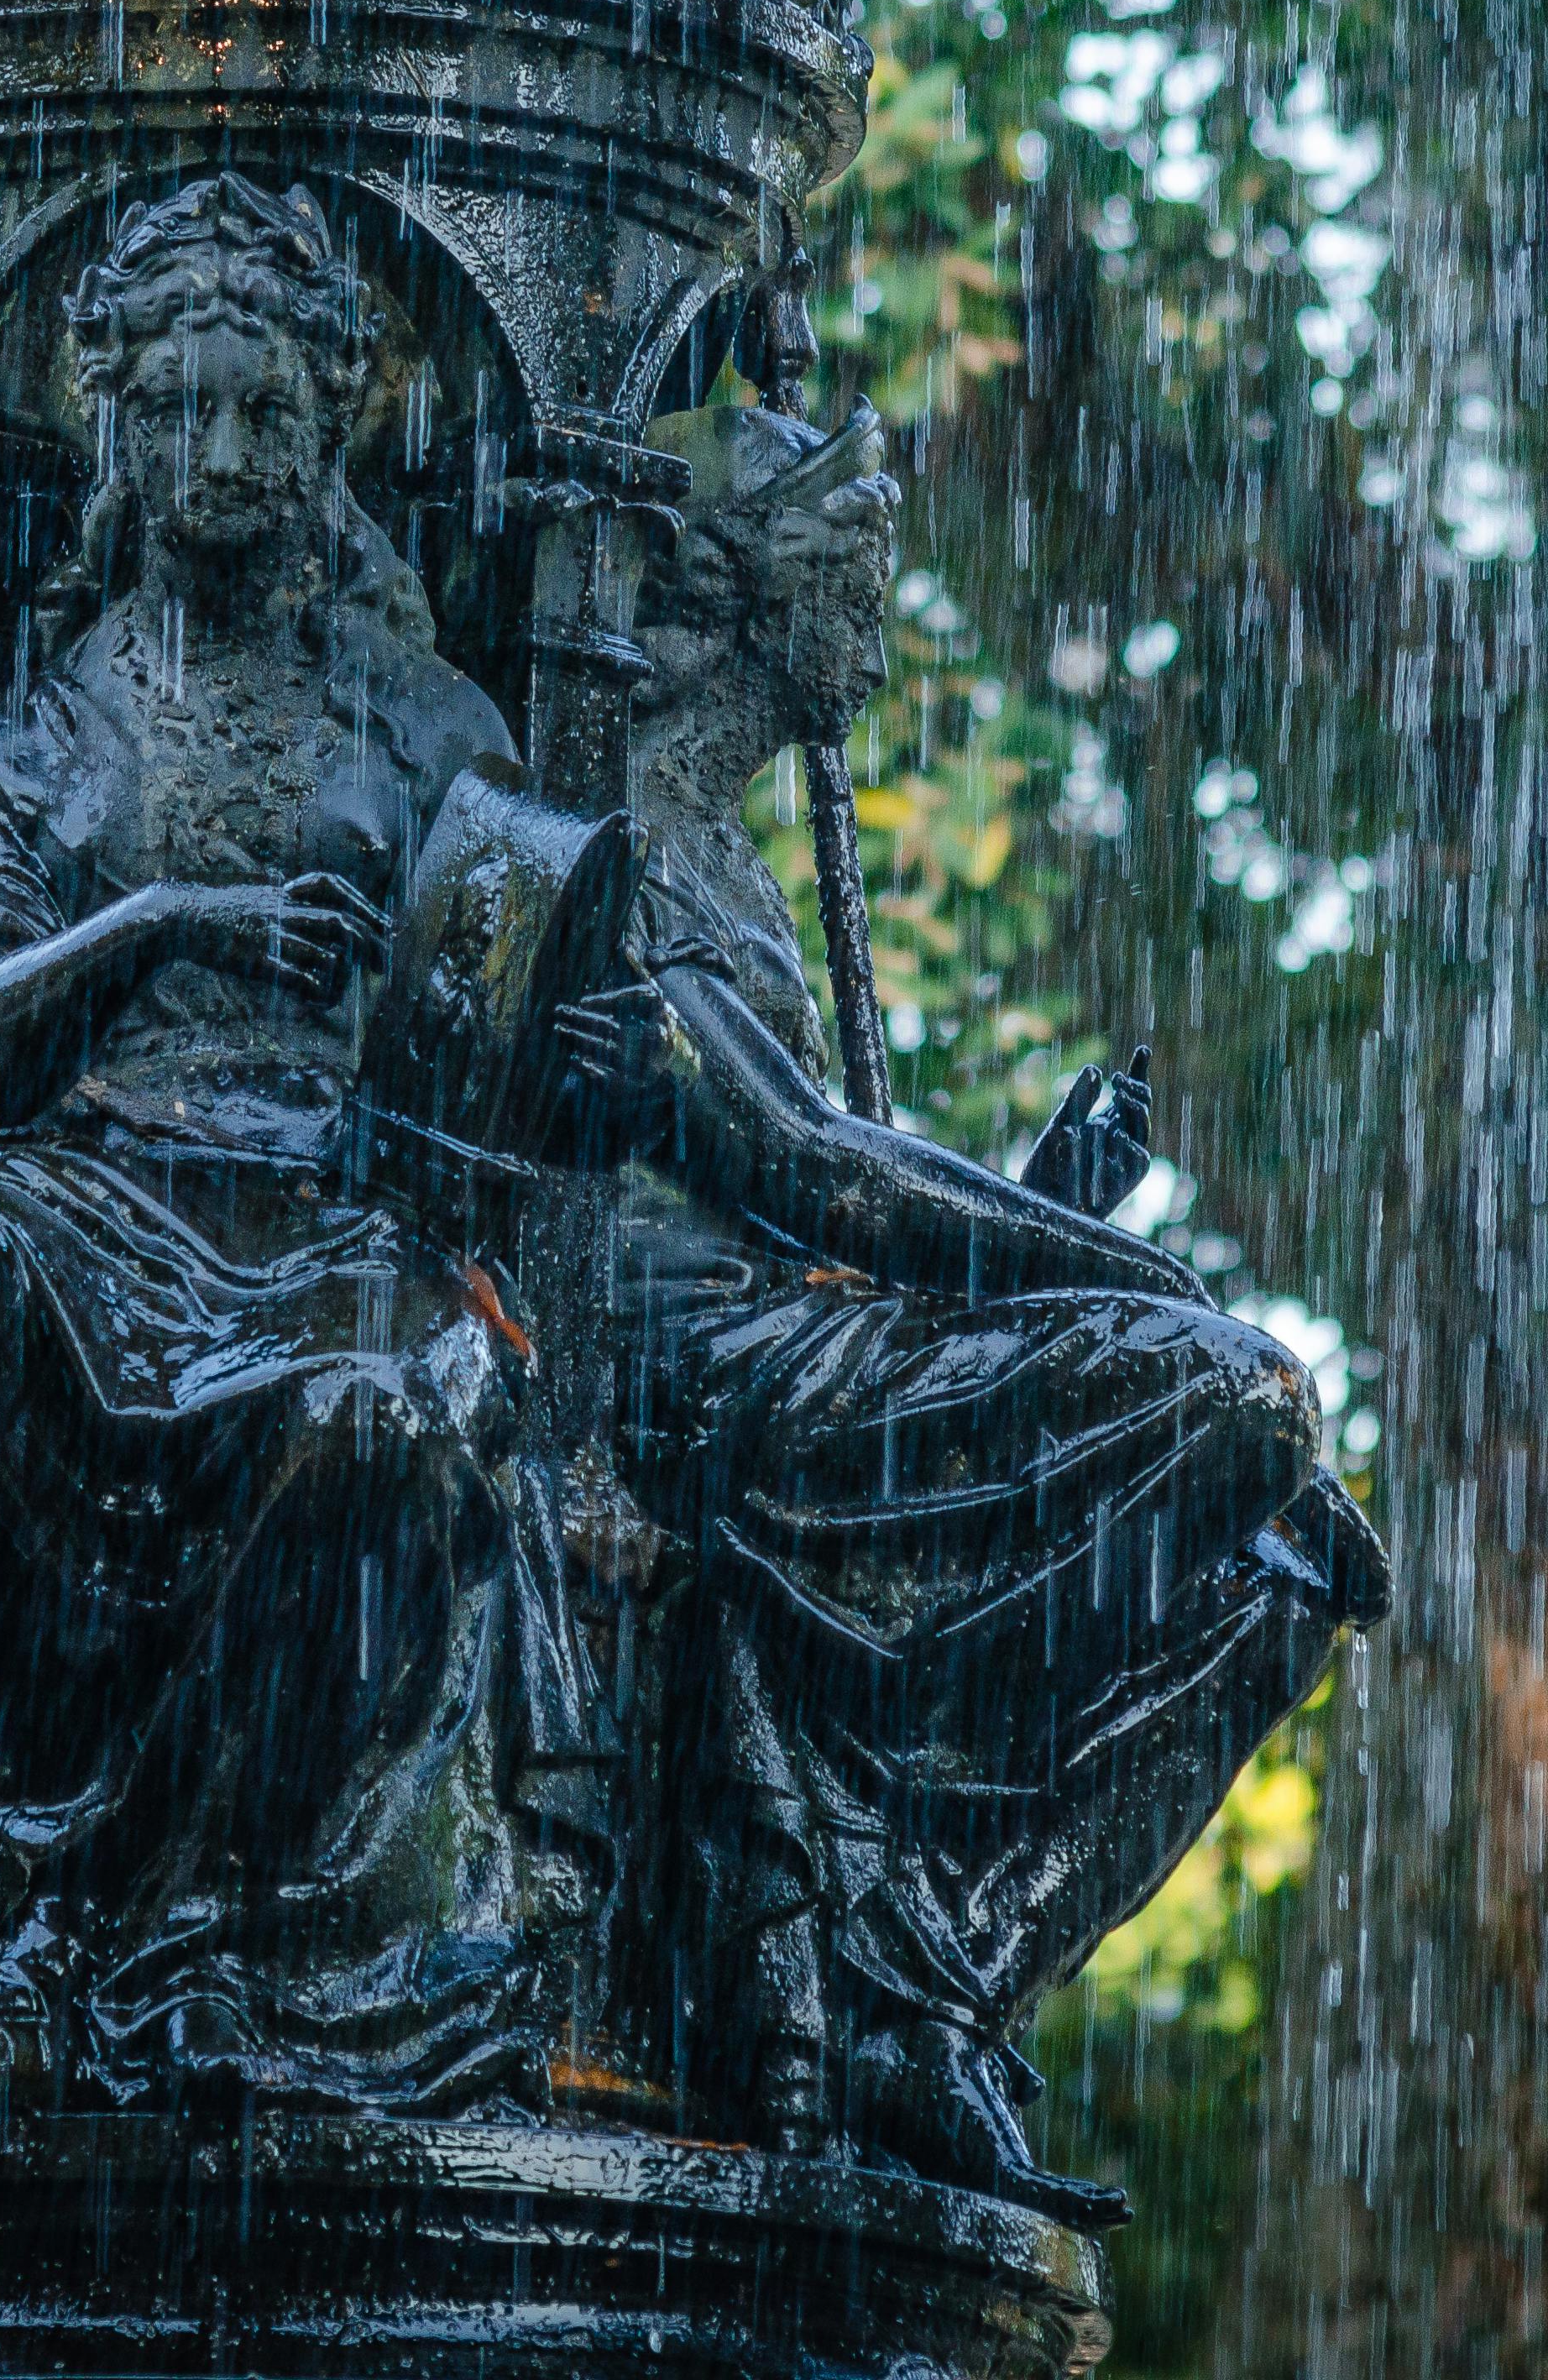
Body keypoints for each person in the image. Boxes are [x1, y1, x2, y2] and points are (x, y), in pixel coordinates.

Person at [577, 401, 1393, 2225]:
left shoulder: (718, 851)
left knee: (1284, 1587)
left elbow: (841, 1204)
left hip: (800, 1349)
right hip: (713, 1391)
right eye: (849, 573)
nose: (876, 620)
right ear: (736, 590)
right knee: (1241, 1405)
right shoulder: (612, 834)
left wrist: (1042, 1203)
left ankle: (925, 1976)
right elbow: (809, 1172)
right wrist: (1145, 1286)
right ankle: (890, 1893)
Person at [0, 175, 572, 2117]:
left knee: (378, 1413)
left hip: (334, 1209)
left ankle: (226, 1928)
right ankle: (40, 1872)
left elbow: (502, 1042)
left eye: (261, 414)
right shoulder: (39, 733)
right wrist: (158, 930)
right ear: (117, 428)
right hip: (82, 1197)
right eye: (175, 413)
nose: (219, 456)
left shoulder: (432, 728)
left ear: (328, 420)